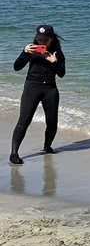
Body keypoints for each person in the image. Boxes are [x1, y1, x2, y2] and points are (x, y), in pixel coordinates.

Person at [9, 24, 66, 165]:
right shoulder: (31, 50)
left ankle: (47, 146)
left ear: (51, 38)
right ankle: (14, 154)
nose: (41, 42)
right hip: (32, 87)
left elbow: (61, 74)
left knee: (52, 122)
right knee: (24, 120)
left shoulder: (57, 53)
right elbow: (16, 67)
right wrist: (24, 52)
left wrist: (54, 62)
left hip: (50, 89)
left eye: (45, 40)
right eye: (39, 39)